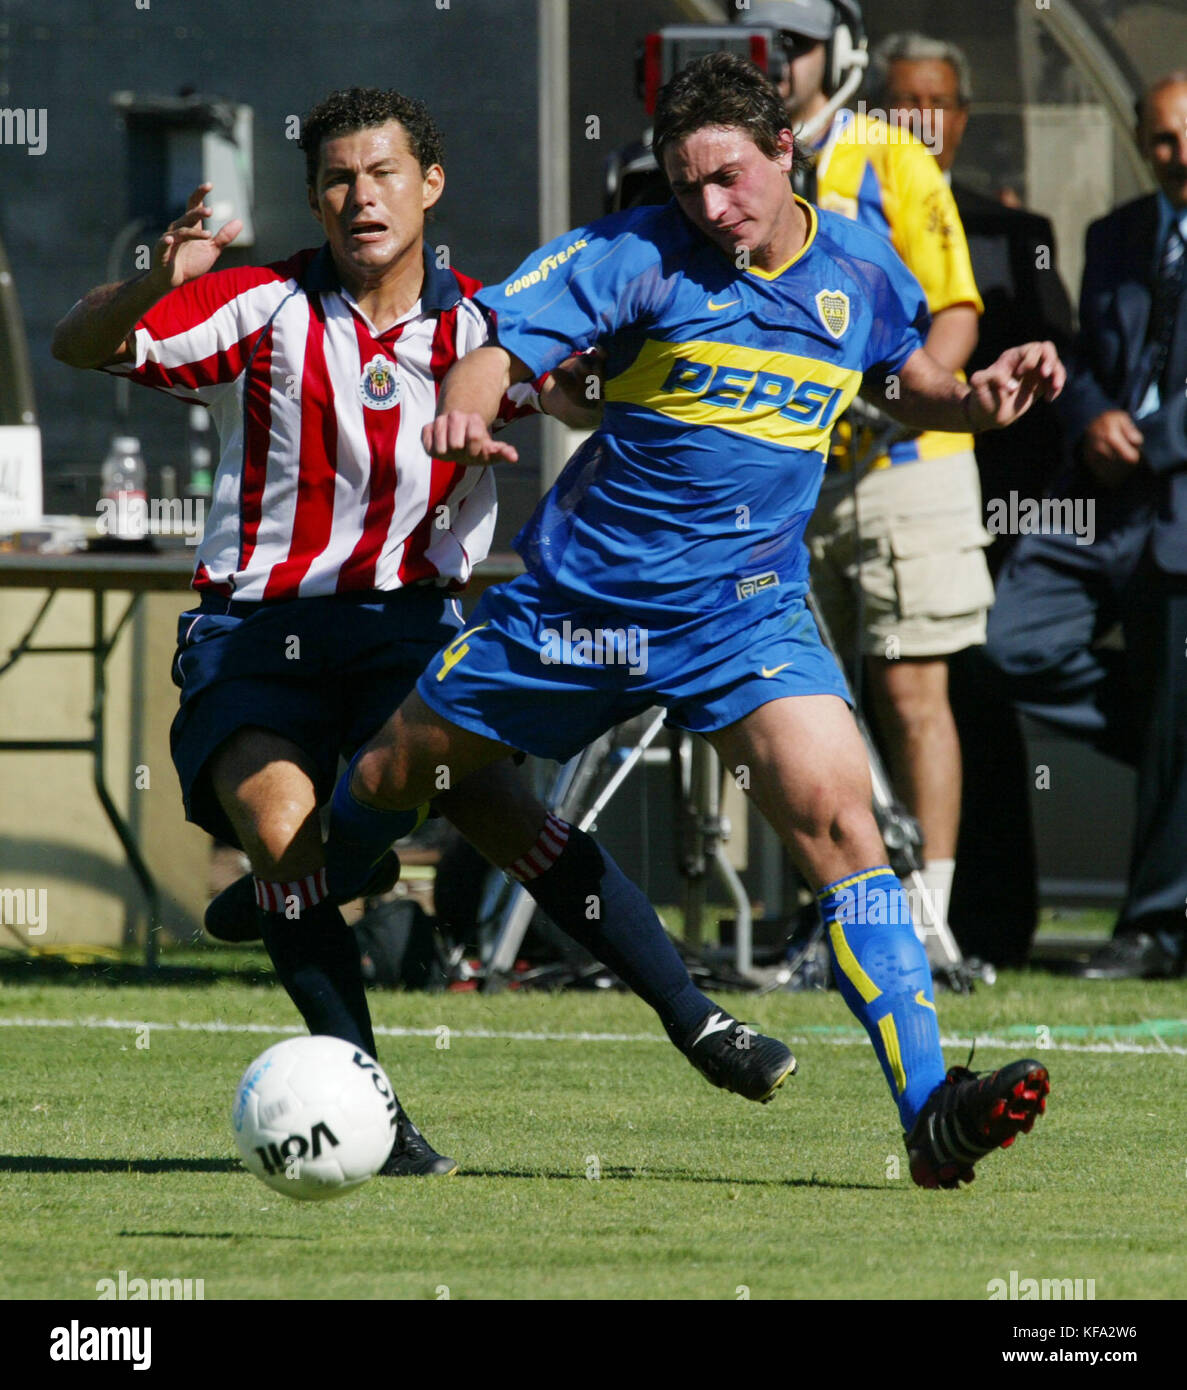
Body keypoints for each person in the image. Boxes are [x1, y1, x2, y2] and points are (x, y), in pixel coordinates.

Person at [322, 53, 1060, 1188]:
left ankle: (929, 1113)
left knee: (841, 820)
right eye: (685, 185)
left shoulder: (857, 268)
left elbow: (897, 374)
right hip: (579, 609)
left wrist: (971, 399)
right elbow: (491, 346)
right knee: (389, 782)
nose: (708, 207)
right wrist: (460, 421)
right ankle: (313, 882)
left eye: (726, 179)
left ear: (785, 155)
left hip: (746, 613)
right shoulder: (633, 253)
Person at [52, 87, 797, 1179]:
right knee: (280, 829)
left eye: (384, 173)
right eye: (339, 180)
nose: (362, 197)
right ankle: (376, 1120)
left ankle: (698, 1020)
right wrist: (157, 285)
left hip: (406, 626)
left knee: (495, 807)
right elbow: (80, 345)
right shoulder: (260, 305)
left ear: (429, 185)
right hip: (252, 635)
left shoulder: (486, 327)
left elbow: (589, 390)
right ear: (314, 199)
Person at [736, 1, 989, 952]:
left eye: (791, 46)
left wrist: (894, 400)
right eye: (757, 45)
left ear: (839, 54)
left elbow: (954, 310)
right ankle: (842, 913)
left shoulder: (892, 152)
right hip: (781, 474)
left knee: (911, 691)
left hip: (900, 462)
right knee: (803, 705)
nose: (775, 64)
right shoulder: (727, 160)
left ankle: (930, 922)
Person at [870, 31, 1076, 967]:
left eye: (935, 103)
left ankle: (982, 921)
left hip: (991, 514)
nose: (919, 121)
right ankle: (860, 913)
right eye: (899, 103)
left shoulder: (1013, 236)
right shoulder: (835, 222)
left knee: (975, 717)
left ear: (961, 117)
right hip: (868, 491)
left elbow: (1056, 380)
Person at [985, 73, 1187, 980]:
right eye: (1162, 139)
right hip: (1099, 508)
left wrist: (1149, 437)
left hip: (1178, 503)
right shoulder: (1117, 234)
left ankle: (1149, 927)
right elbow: (1079, 352)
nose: (1179, 155)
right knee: (1003, 642)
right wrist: (1090, 413)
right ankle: (1166, 726)